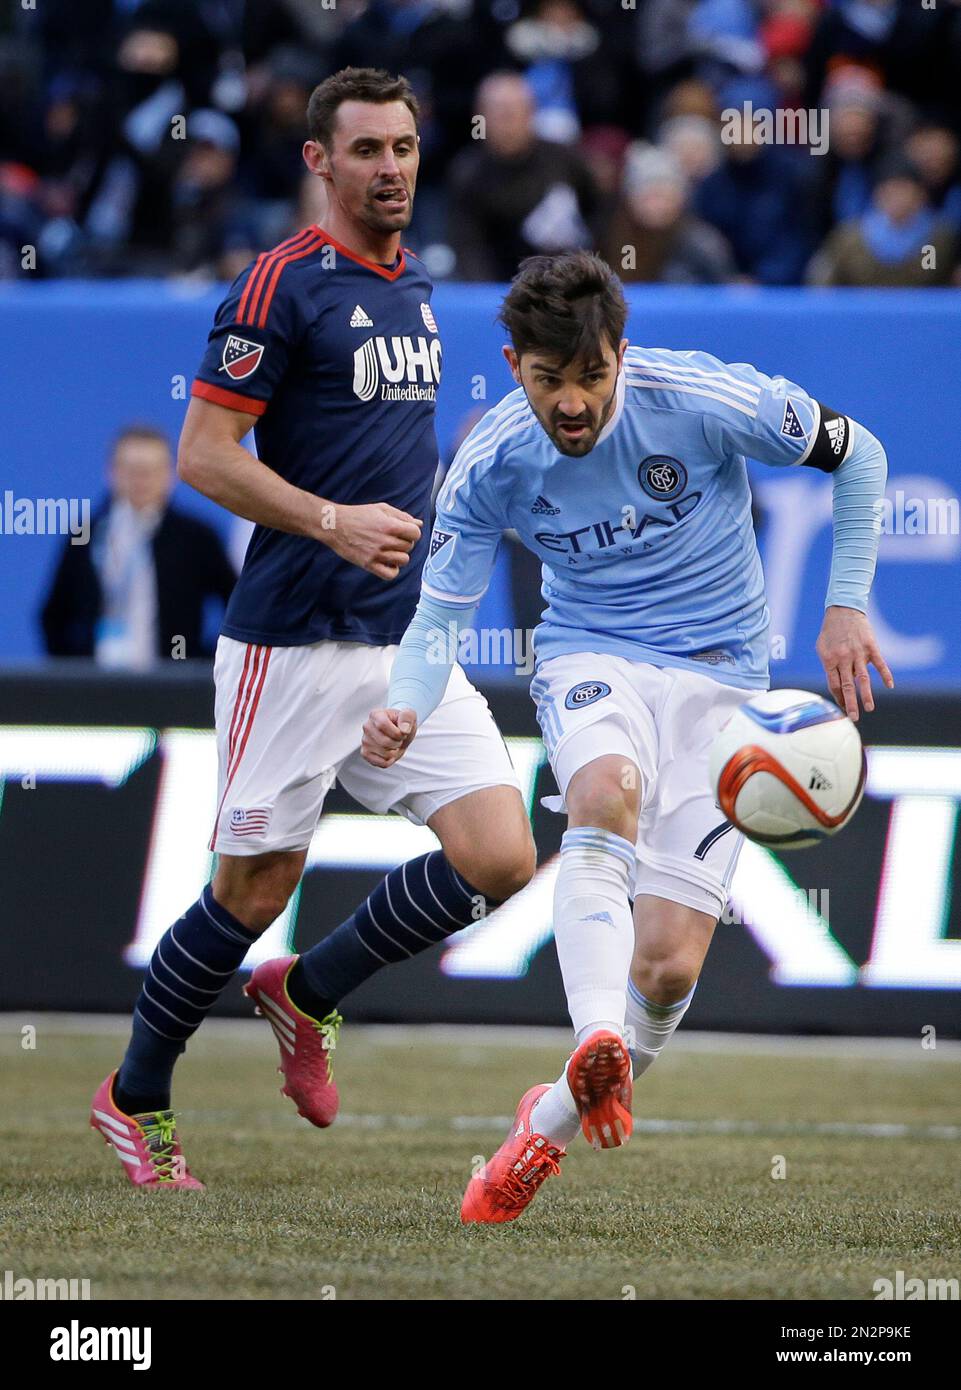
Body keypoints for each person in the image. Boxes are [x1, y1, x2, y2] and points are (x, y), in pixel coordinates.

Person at [363, 251, 893, 1223]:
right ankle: (595, 1035)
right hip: (589, 658)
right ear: (513, 359)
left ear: (621, 351)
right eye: (547, 379)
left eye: (592, 375)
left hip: (724, 683)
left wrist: (845, 606)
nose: (572, 403)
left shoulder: (700, 397)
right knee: (604, 794)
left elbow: (855, 453)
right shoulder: (487, 460)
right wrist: (403, 699)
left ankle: (544, 1124)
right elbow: (439, 617)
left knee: (670, 966)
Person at [89, 66, 534, 1190]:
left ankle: (310, 989)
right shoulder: (275, 286)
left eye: (405, 147)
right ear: (319, 160)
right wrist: (329, 522)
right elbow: (203, 457)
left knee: (500, 854)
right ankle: (134, 1097)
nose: (391, 168)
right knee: (250, 888)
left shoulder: (419, 284)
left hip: (397, 637)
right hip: (288, 638)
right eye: (369, 150)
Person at [40, 424, 235, 666]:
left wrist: (202, 660)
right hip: (96, 686)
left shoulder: (197, 537)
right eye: (131, 470)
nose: (141, 480)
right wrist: (73, 668)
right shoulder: (85, 534)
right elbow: (53, 614)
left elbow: (235, 604)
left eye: (151, 470)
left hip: (175, 686)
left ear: (170, 474)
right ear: (111, 472)